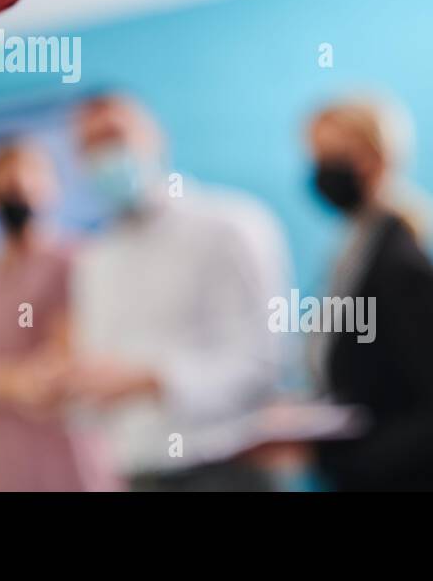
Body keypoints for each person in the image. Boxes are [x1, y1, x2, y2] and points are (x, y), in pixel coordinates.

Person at [63, 94, 292, 491]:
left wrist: (152, 380)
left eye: (114, 135)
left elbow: (262, 361)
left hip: (226, 468)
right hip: (140, 474)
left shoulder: (230, 225)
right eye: (90, 145)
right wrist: (70, 386)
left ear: (155, 137)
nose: (104, 154)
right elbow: (99, 385)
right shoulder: (94, 261)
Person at [305, 98, 433, 491]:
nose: (320, 171)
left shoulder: (400, 268)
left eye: (331, 155)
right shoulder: (351, 261)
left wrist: (345, 459)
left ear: (375, 158)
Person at [0, 138, 114, 491]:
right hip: (5, 473)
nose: (15, 190)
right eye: (1, 181)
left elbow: (54, 380)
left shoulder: (77, 262)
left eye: (27, 176)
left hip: (78, 469)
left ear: (53, 185)